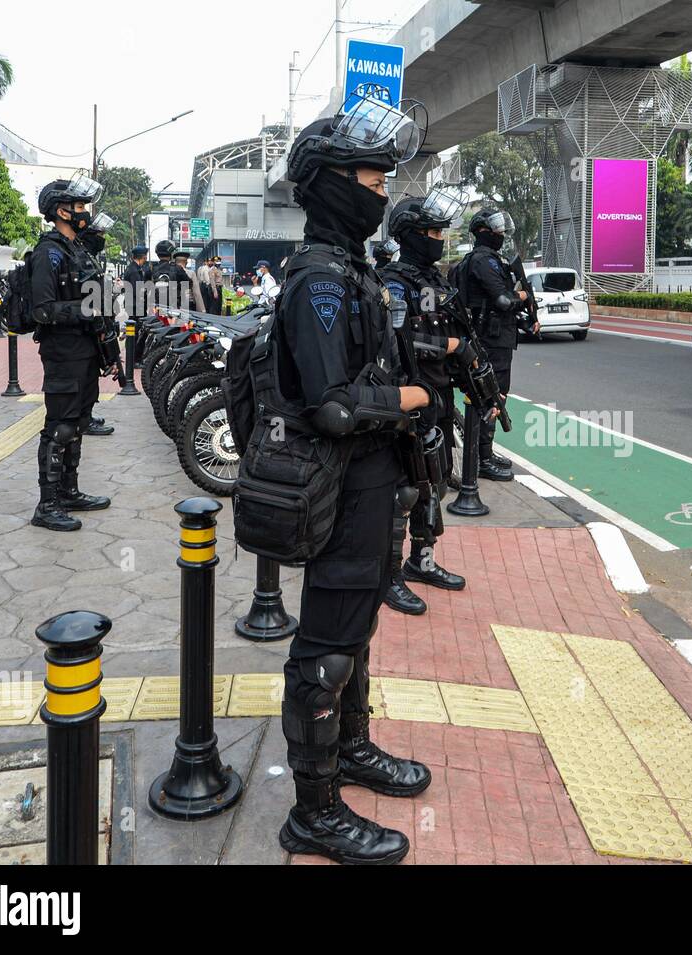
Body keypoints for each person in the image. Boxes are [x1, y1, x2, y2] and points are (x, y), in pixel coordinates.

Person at [271, 92, 434, 865]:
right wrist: (413, 397)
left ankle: (354, 747)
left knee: (358, 634)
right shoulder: (320, 282)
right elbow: (334, 407)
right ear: (334, 184)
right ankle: (314, 809)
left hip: (372, 484)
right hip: (336, 484)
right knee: (325, 651)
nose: (382, 194)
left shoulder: (353, 269)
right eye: (373, 182)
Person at [378, 190, 474, 615]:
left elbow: (458, 333)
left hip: (438, 394)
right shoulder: (393, 281)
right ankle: (390, 576)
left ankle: (423, 561)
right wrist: (450, 345)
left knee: (433, 482)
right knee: (403, 490)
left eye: (440, 230)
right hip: (407, 397)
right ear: (410, 235)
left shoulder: (437, 280)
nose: (438, 238)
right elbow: (401, 340)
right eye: (432, 231)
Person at [29, 174, 114, 532]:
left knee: (78, 423)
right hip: (63, 352)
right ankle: (46, 505)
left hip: (85, 350)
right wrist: (88, 310)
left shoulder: (75, 248)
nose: (84, 212)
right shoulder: (47, 252)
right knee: (60, 426)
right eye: (78, 206)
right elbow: (43, 309)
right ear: (60, 211)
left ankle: (69, 492)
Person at [461, 206, 532, 481]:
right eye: (496, 230)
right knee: (493, 397)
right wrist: (524, 296)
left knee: (489, 396)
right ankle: (481, 459)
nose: (500, 235)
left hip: (487, 337)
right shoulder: (484, 261)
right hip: (491, 339)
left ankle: (483, 454)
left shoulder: (476, 260)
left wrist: (526, 319)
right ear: (482, 232)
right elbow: (503, 301)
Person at [78, 213, 118, 437]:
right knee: (85, 376)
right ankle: (83, 420)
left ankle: (87, 414)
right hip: (86, 328)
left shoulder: (90, 256)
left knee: (92, 374)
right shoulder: (81, 256)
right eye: (99, 234)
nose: (102, 238)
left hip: (96, 325)